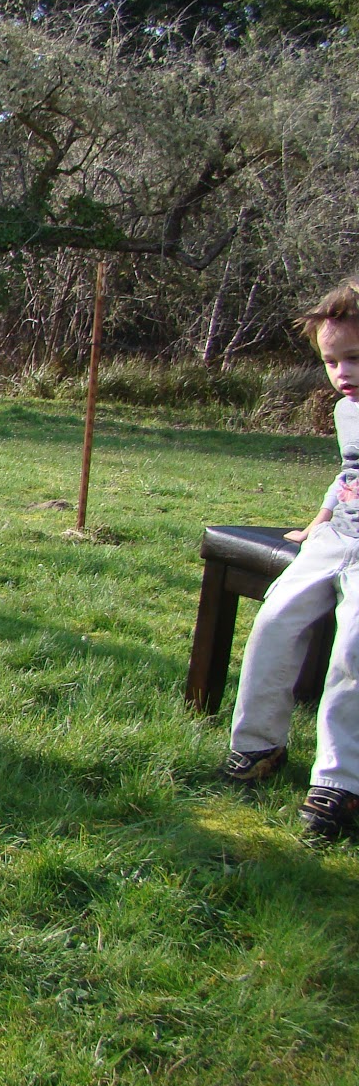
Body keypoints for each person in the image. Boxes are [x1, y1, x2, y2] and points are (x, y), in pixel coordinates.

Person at [222, 276, 359, 841]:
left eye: (354, 357)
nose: (342, 373)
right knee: (275, 619)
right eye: (331, 361)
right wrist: (321, 517)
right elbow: (347, 472)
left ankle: (340, 782)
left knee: (353, 644)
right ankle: (257, 745)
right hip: (340, 537)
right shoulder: (348, 410)